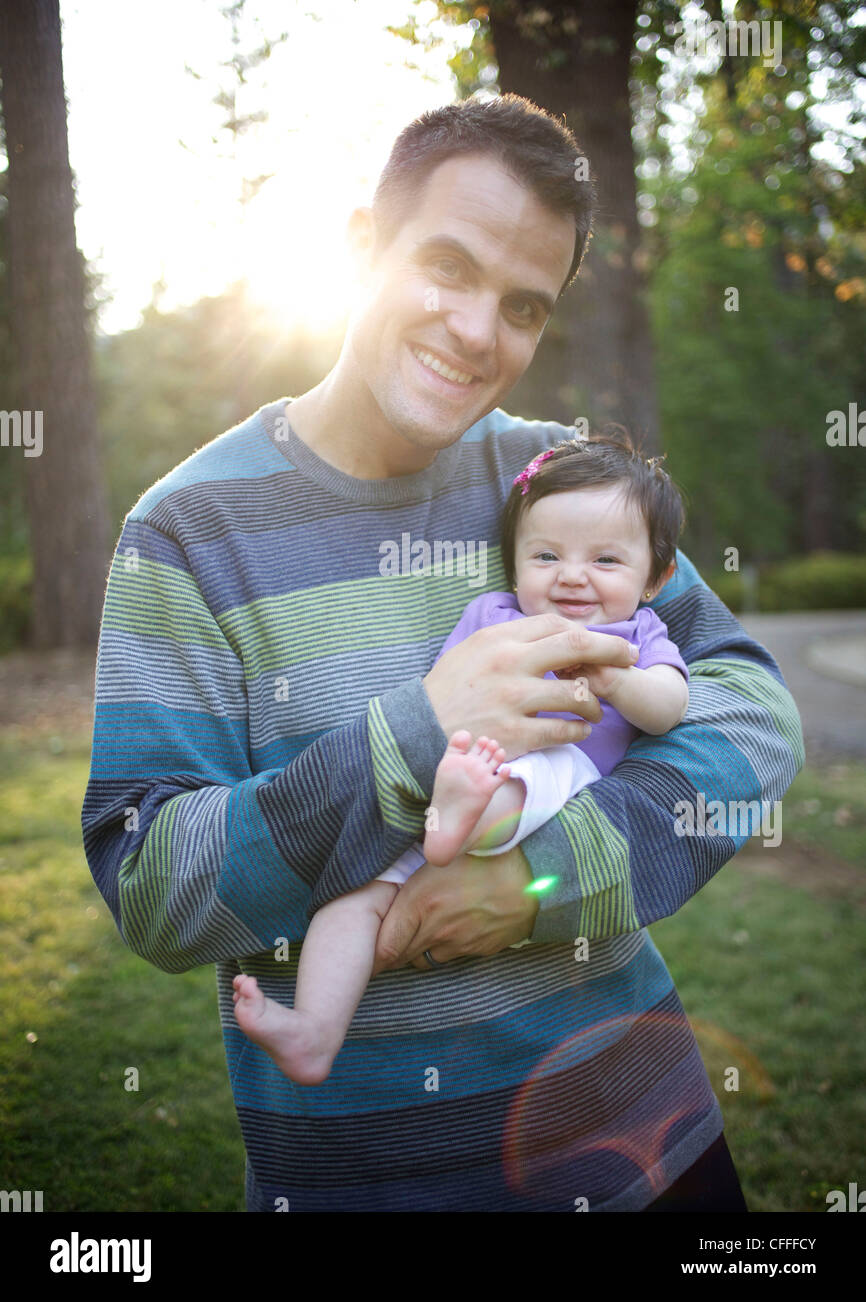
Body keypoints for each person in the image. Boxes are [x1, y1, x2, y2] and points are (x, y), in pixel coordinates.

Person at [82, 94, 804, 1212]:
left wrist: (530, 882)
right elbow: (155, 882)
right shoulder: (184, 533)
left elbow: (750, 713)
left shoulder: (559, 484)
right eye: (446, 267)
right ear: (362, 245)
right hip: (368, 1185)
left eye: (522, 305)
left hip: (644, 1156)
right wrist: (412, 734)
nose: (477, 331)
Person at [231, 434, 691, 1086]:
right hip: (459, 768)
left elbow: (669, 706)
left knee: (531, 776)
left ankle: (464, 817)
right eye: (546, 555)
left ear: (657, 577)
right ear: (513, 566)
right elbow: (445, 693)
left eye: (606, 559)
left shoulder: (639, 637)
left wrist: (615, 680)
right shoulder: (493, 614)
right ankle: (312, 1033)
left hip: (563, 764)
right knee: (354, 897)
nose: (571, 574)